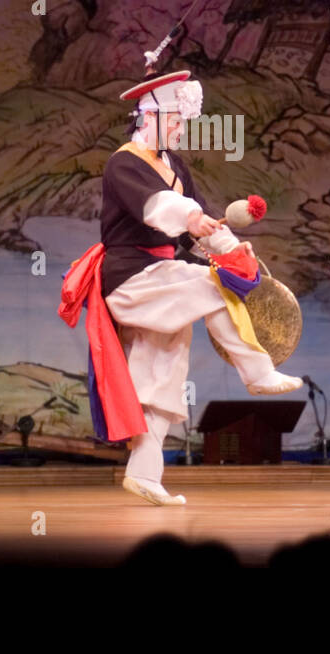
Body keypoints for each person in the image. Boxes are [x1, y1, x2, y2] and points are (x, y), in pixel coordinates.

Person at [60, 70, 301, 506]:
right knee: (214, 284)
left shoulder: (174, 166)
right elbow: (162, 209)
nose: (180, 127)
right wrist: (198, 228)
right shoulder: (124, 163)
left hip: (163, 281)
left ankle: (145, 474)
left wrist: (230, 248)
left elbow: (198, 226)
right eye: (175, 118)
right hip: (134, 280)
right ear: (148, 115)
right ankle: (256, 370)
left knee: (162, 375)